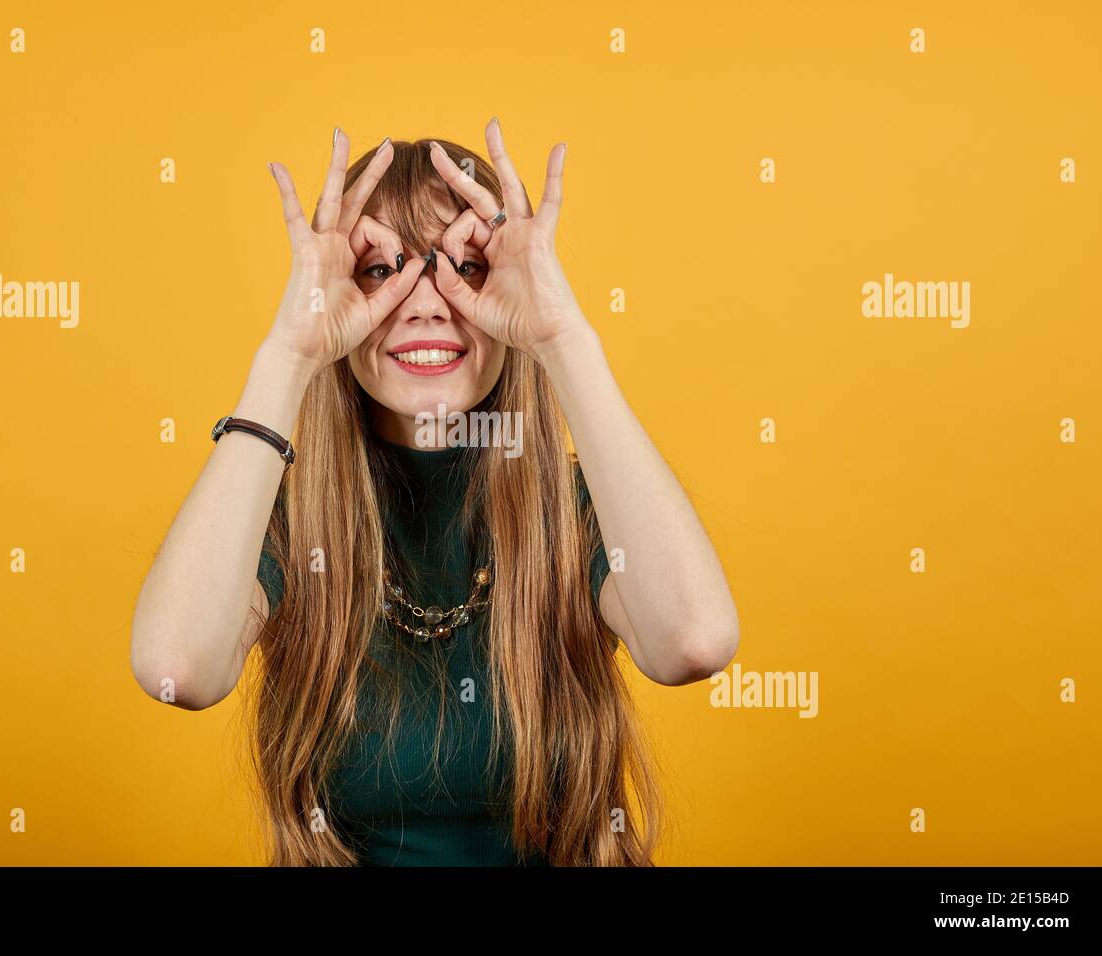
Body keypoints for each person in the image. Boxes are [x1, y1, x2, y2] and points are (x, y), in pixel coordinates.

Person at [130, 118, 740, 866]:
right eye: (382, 272)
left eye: (467, 269)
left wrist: (561, 339)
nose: (425, 303)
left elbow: (695, 643)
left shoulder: (577, 512)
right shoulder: (285, 521)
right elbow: (177, 669)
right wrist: (288, 354)